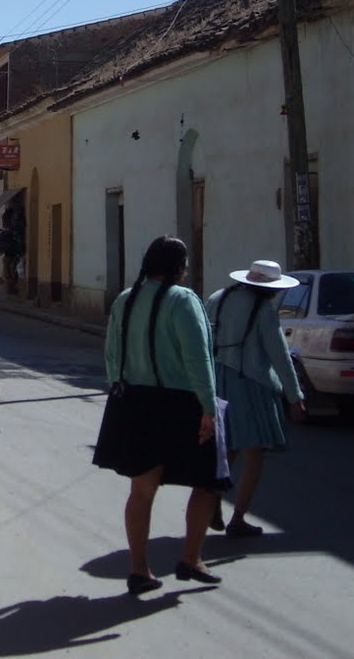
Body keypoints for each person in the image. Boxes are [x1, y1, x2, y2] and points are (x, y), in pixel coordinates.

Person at [94, 236, 228, 595]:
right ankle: (191, 558)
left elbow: (111, 355)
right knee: (208, 481)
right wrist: (208, 406)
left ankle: (140, 569)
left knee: (142, 489)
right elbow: (198, 359)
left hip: (133, 402)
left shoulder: (126, 299)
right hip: (180, 403)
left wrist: (119, 390)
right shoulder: (184, 301)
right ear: (179, 267)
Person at [204, 259, 306, 539]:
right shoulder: (262, 309)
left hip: (217, 380)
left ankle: (212, 498)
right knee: (254, 452)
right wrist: (294, 396)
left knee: (228, 449)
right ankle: (238, 517)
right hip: (250, 383)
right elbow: (278, 354)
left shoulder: (217, 298)